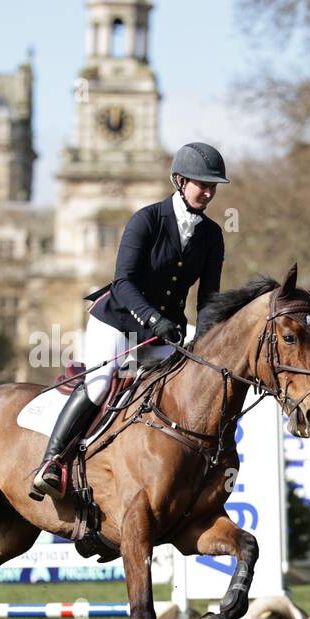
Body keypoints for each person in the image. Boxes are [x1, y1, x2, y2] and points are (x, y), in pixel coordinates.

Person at [31, 142, 229, 499]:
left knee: (182, 394)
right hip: (119, 320)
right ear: (180, 181)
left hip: (166, 333)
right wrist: (154, 319)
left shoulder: (212, 235)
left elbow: (209, 297)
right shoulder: (147, 220)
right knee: (100, 385)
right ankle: (52, 461)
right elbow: (123, 282)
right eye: (203, 184)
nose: (209, 192)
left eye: (213, 186)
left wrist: (207, 339)